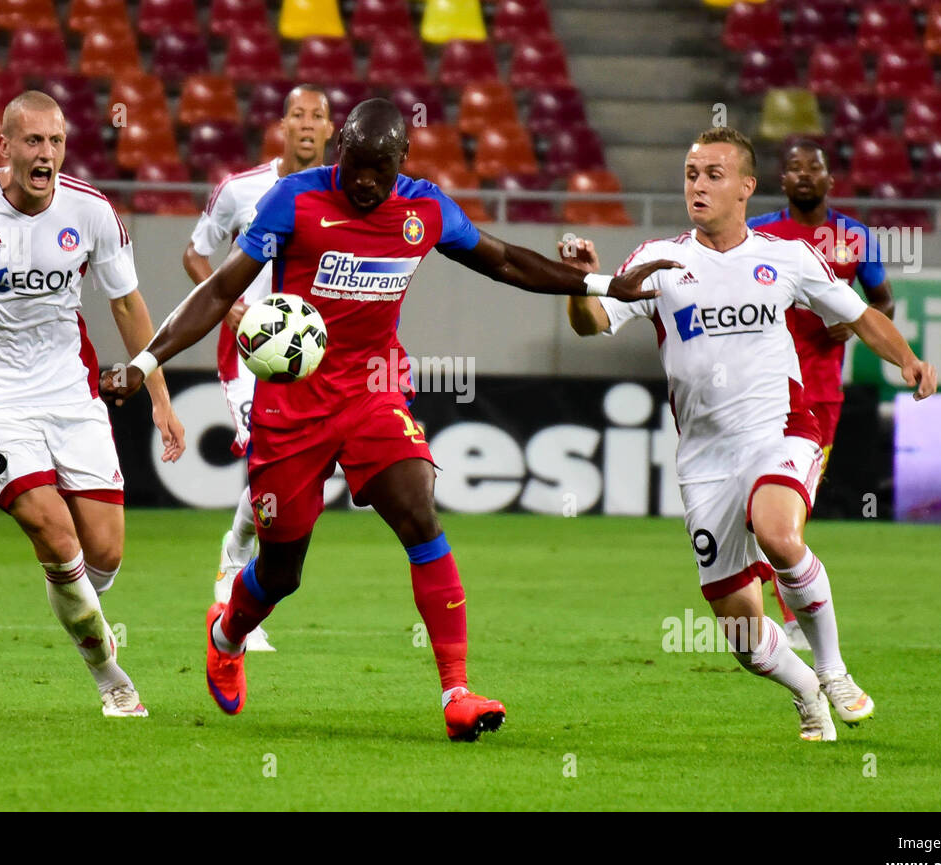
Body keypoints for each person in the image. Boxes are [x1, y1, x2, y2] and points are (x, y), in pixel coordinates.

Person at [101, 98, 669, 740]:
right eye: (357, 166)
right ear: (340, 150)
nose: (366, 182)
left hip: (375, 390)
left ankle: (456, 691)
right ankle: (227, 632)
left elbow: (506, 260)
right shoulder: (294, 200)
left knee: (419, 512)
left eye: (381, 169)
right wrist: (144, 362)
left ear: (403, 161)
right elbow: (220, 290)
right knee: (283, 570)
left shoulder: (424, 208)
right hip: (291, 405)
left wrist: (598, 287)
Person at [563, 128, 937, 741]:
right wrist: (581, 285)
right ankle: (807, 690)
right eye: (690, 173)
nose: (698, 185)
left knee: (780, 533)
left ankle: (835, 669)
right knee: (742, 635)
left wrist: (909, 361)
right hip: (705, 460)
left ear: (745, 186)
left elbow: (861, 314)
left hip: (781, 430)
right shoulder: (658, 260)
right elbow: (593, 323)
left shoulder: (784, 257)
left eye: (713, 173)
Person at [0, 91, 185, 717]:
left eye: (56, 142)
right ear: (4, 147)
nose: (47, 155)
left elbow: (127, 305)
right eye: (34, 142)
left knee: (103, 553)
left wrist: (158, 393)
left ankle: (72, 593)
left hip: (72, 393)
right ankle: (111, 677)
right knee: (55, 534)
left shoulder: (91, 213)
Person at [181, 84, 336, 652]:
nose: (305, 124)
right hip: (252, 350)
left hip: (315, 353)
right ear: (282, 124)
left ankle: (236, 553)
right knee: (262, 453)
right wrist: (229, 304)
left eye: (316, 116)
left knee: (299, 470)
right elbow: (196, 252)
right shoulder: (241, 190)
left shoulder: (343, 194)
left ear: (329, 130)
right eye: (296, 114)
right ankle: (236, 576)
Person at [748, 139, 895, 650]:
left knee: (789, 508)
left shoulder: (853, 237)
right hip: (763, 390)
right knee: (764, 505)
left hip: (824, 394)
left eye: (815, 167)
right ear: (781, 180)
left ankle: (777, 598)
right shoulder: (760, 233)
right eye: (793, 167)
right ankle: (788, 615)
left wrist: (852, 324)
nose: (804, 175)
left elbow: (883, 301)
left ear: (831, 179)